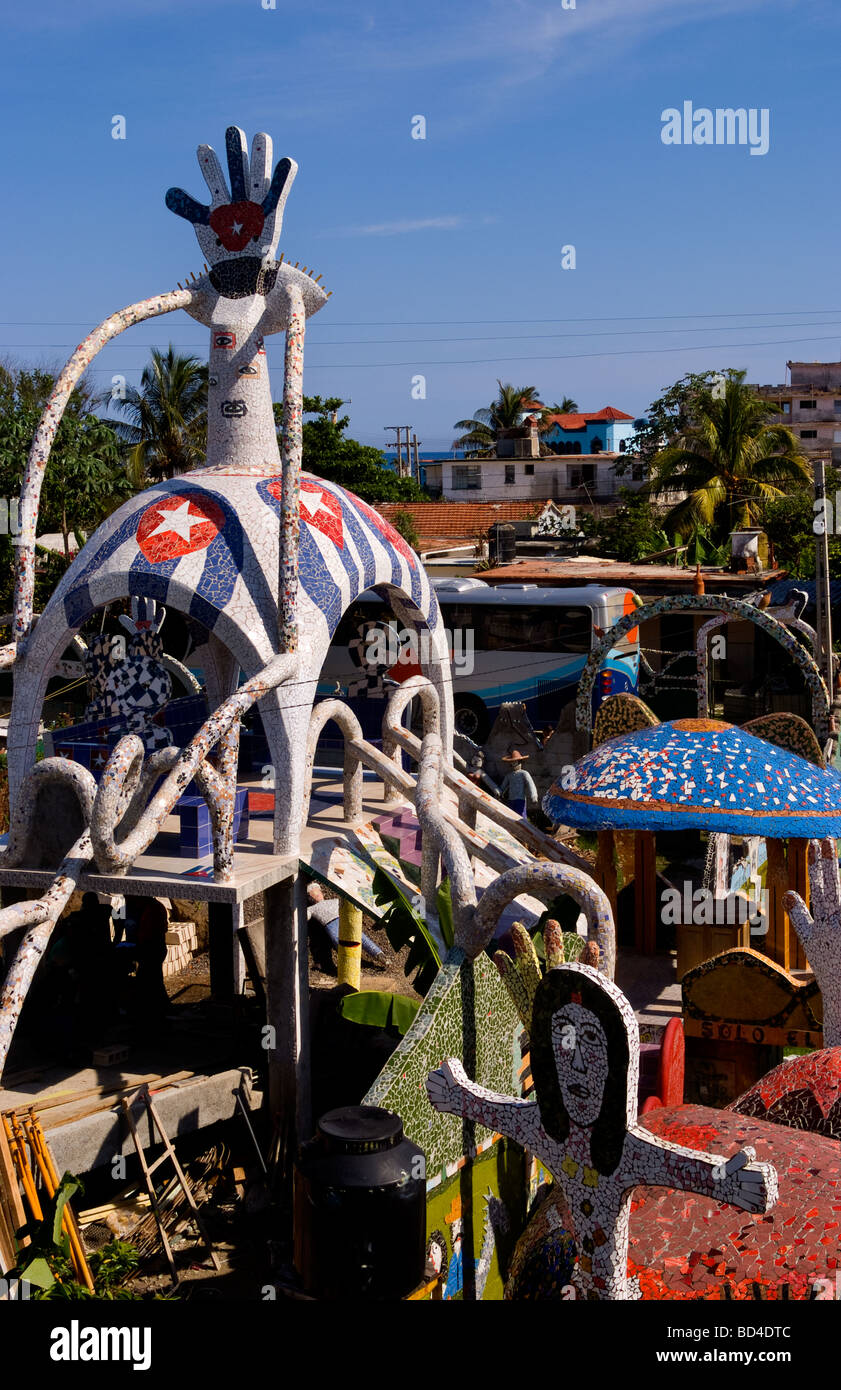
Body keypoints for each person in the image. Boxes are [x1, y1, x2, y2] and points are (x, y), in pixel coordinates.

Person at [498, 749, 538, 817]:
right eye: (512, 762)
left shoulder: (524, 773)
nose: (513, 764)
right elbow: (503, 786)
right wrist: (498, 793)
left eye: (515, 762)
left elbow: (531, 784)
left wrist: (534, 796)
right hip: (511, 799)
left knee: (521, 817)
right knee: (511, 817)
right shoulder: (509, 775)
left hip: (520, 799)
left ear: (520, 762)